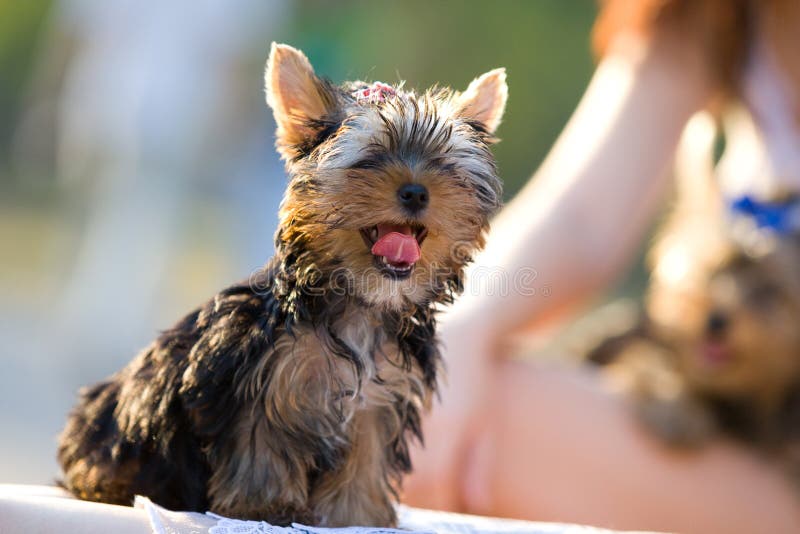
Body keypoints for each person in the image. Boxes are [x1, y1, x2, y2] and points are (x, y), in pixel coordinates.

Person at [403, 1, 800, 532]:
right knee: (409, 404)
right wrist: (454, 330)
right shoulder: (718, 14)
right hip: (723, 428)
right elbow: (581, 218)